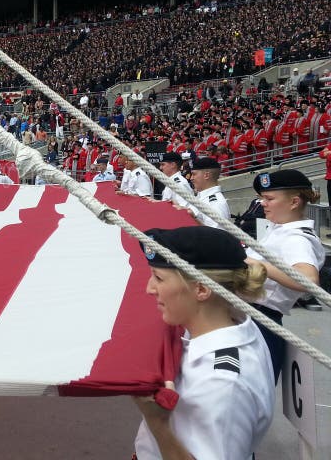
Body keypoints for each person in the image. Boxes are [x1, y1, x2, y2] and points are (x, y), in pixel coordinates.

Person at [133, 226, 274, 460]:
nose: (149, 289)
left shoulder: (222, 383)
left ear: (201, 289)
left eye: (159, 278)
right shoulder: (231, 323)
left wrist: (157, 423)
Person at [245, 170, 326, 381]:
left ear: (294, 202)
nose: (262, 203)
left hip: (260, 321)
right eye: (262, 198)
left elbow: (308, 279)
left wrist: (255, 263)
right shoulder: (280, 229)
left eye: (269, 198)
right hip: (253, 317)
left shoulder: (296, 238)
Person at [181, 157, 230, 228]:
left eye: (194, 174)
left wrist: (194, 219)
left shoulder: (215, 204)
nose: (191, 178)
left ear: (206, 175)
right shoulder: (201, 197)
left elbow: (217, 233)